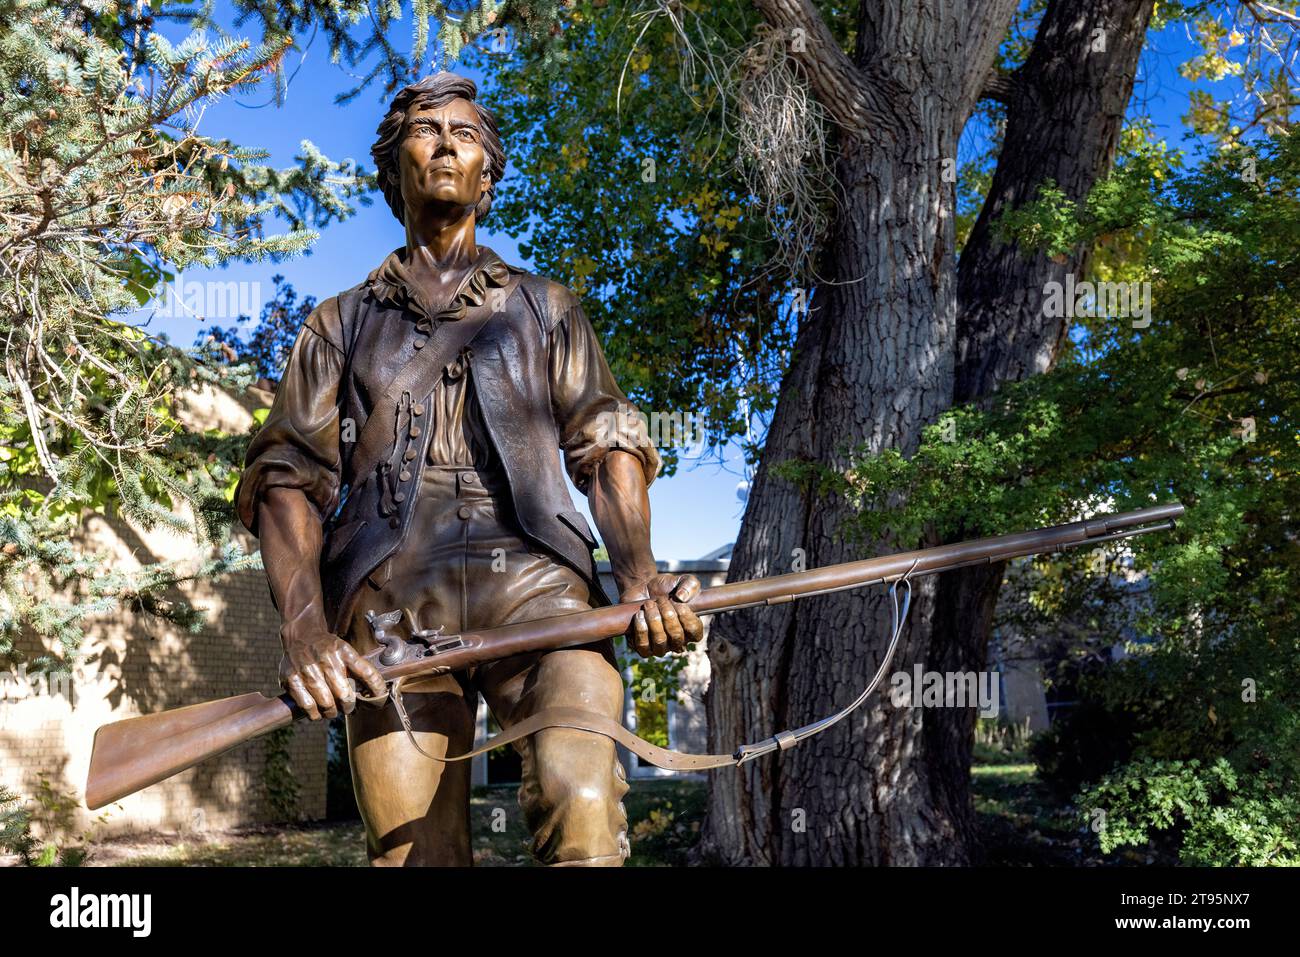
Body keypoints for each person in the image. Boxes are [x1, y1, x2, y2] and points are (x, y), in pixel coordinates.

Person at [234, 71, 703, 867]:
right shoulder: (337, 324)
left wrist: (639, 576)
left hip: (546, 602)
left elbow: (607, 439)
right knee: (418, 856)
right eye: (427, 130)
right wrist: (307, 627)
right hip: (392, 619)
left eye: (466, 133)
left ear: (488, 175)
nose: (447, 141)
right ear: (394, 170)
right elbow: (287, 475)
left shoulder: (548, 308)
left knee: (582, 798)